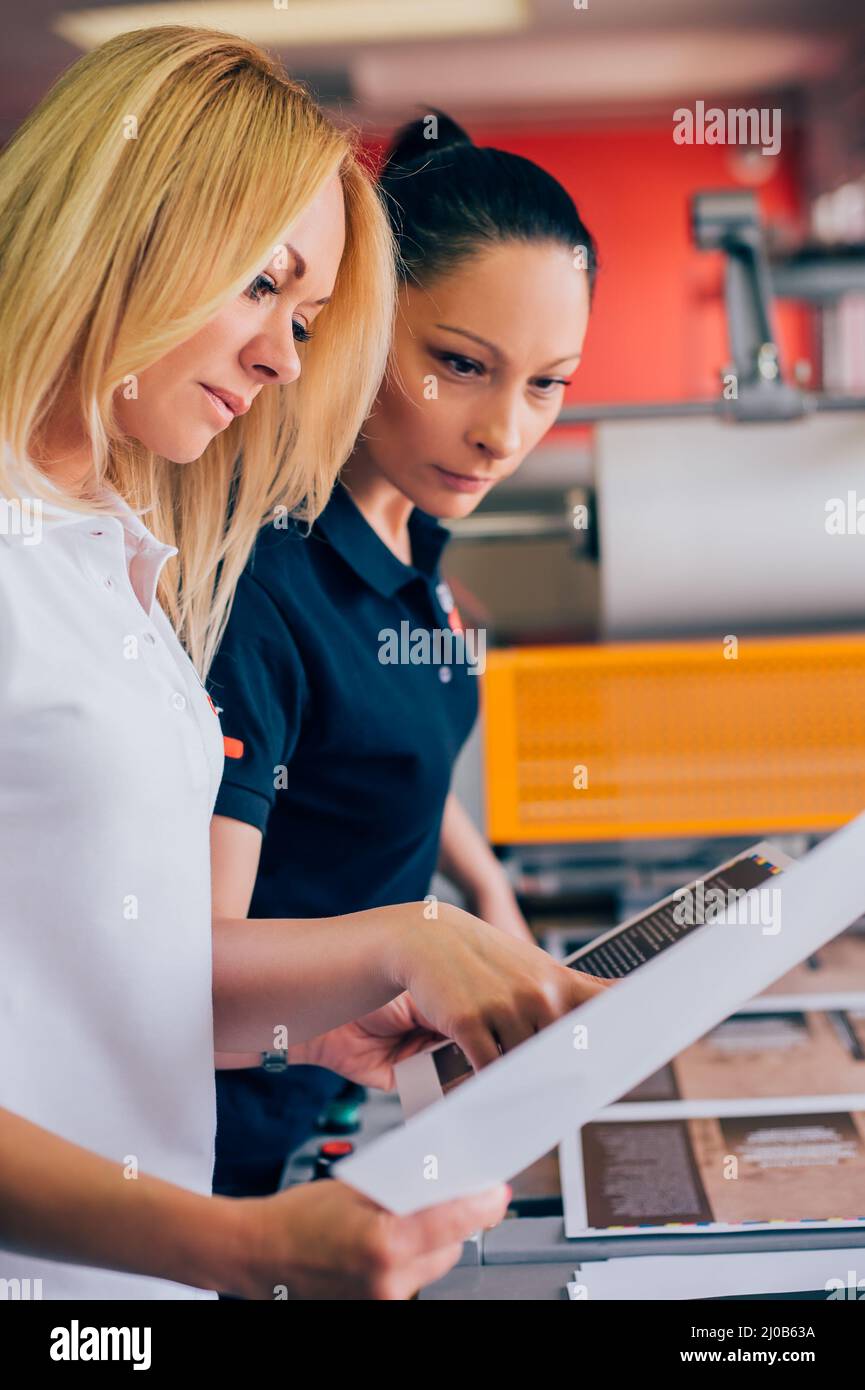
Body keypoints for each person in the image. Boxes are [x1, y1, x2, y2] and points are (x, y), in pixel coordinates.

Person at [0, 29, 603, 1300]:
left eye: (312, 315)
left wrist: (327, 1013)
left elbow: (107, 971)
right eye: (263, 288)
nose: (286, 358)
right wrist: (243, 1248)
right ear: (132, 229)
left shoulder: (113, 547)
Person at [208, 112, 598, 1197]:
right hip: (227, 1144)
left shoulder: (414, 530)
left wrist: (483, 888)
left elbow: (381, 749)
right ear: (359, 322)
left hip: (344, 1076)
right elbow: (188, 963)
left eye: (546, 383)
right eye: (462, 365)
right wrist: (422, 937)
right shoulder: (265, 591)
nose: (502, 433)